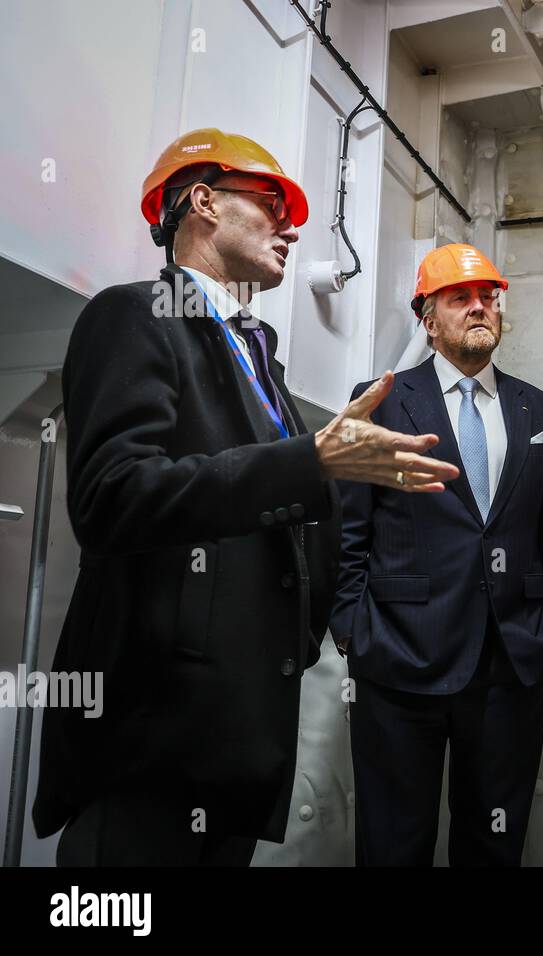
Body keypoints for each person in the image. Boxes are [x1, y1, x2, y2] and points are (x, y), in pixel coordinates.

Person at [33, 127, 459, 866]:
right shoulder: (134, 315)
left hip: (236, 748)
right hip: (153, 743)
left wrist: (300, 633)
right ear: (201, 201)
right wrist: (308, 460)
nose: (291, 226)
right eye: (268, 202)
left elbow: (287, 517)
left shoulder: (260, 356)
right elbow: (111, 497)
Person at [331, 243, 543, 866]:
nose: (479, 308)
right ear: (428, 317)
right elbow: (347, 531)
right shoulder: (382, 400)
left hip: (508, 663)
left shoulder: (536, 408)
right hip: (399, 662)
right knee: (394, 844)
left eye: (487, 297)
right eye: (459, 297)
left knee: (493, 845)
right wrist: (354, 632)